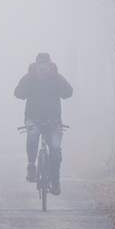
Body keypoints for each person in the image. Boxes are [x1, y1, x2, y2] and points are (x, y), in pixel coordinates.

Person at [14, 52, 73, 194]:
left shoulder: (56, 77)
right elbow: (18, 93)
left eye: (45, 64)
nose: (43, 68)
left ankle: (55, 181)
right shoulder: (29, 78)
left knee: (55, 150)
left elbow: (68, 92)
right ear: (36, 65)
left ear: (49, 65)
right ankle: (31, 166)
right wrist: (27, 86)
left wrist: (59, 84)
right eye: (40, 65)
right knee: (33, 136)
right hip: (33, 119)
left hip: (54, 121)